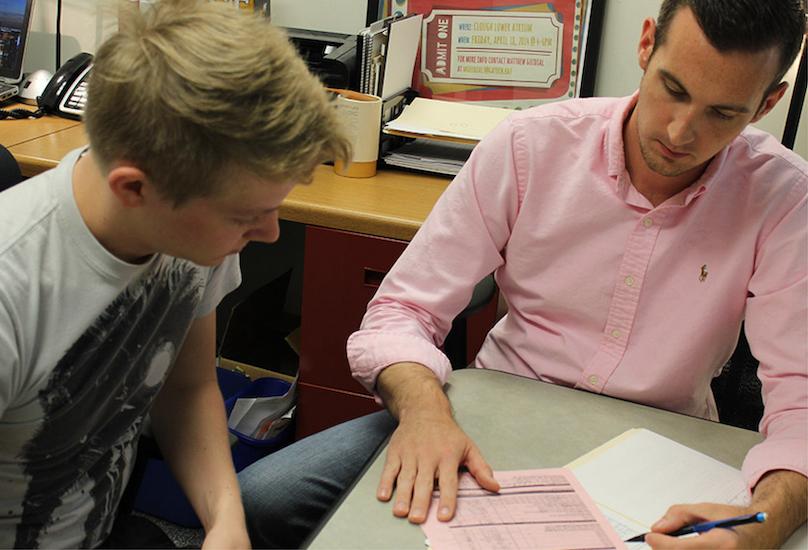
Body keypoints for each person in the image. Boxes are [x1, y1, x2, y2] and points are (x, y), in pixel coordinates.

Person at [240, 0, 808, 548]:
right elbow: (401, 311)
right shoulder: (530, 144)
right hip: (497, 406)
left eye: (722, 113)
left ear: (766, 104)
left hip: (664, 439)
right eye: (673, 89)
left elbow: (802, 399)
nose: (681, 133)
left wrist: (764, 520)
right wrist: (424, 411)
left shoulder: (782, 198)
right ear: (644, 46)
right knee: (263, 499)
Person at [0, 0, 350, 547]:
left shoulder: (192, 230)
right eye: (246, 215)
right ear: (134, 189)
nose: (270, 234)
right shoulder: (13, 287)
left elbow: (186, 388)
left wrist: (225, 517)